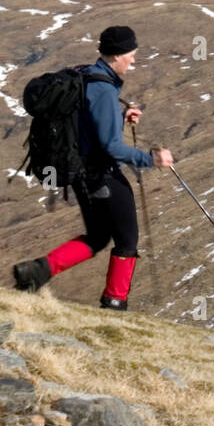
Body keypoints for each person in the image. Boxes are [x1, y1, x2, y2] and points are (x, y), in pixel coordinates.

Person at [12, 26, 173, 309]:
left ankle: (36, 272)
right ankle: (114, 304)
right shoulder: (103, 89)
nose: (133, 62)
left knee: (98, 237)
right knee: (127, 240)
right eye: (131, 55)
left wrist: (119, 117)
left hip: (81, 176)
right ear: (118, 55)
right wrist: (152, 159)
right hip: (102, 176)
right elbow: (112, 147)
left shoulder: (85, 74)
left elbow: (86, 127)